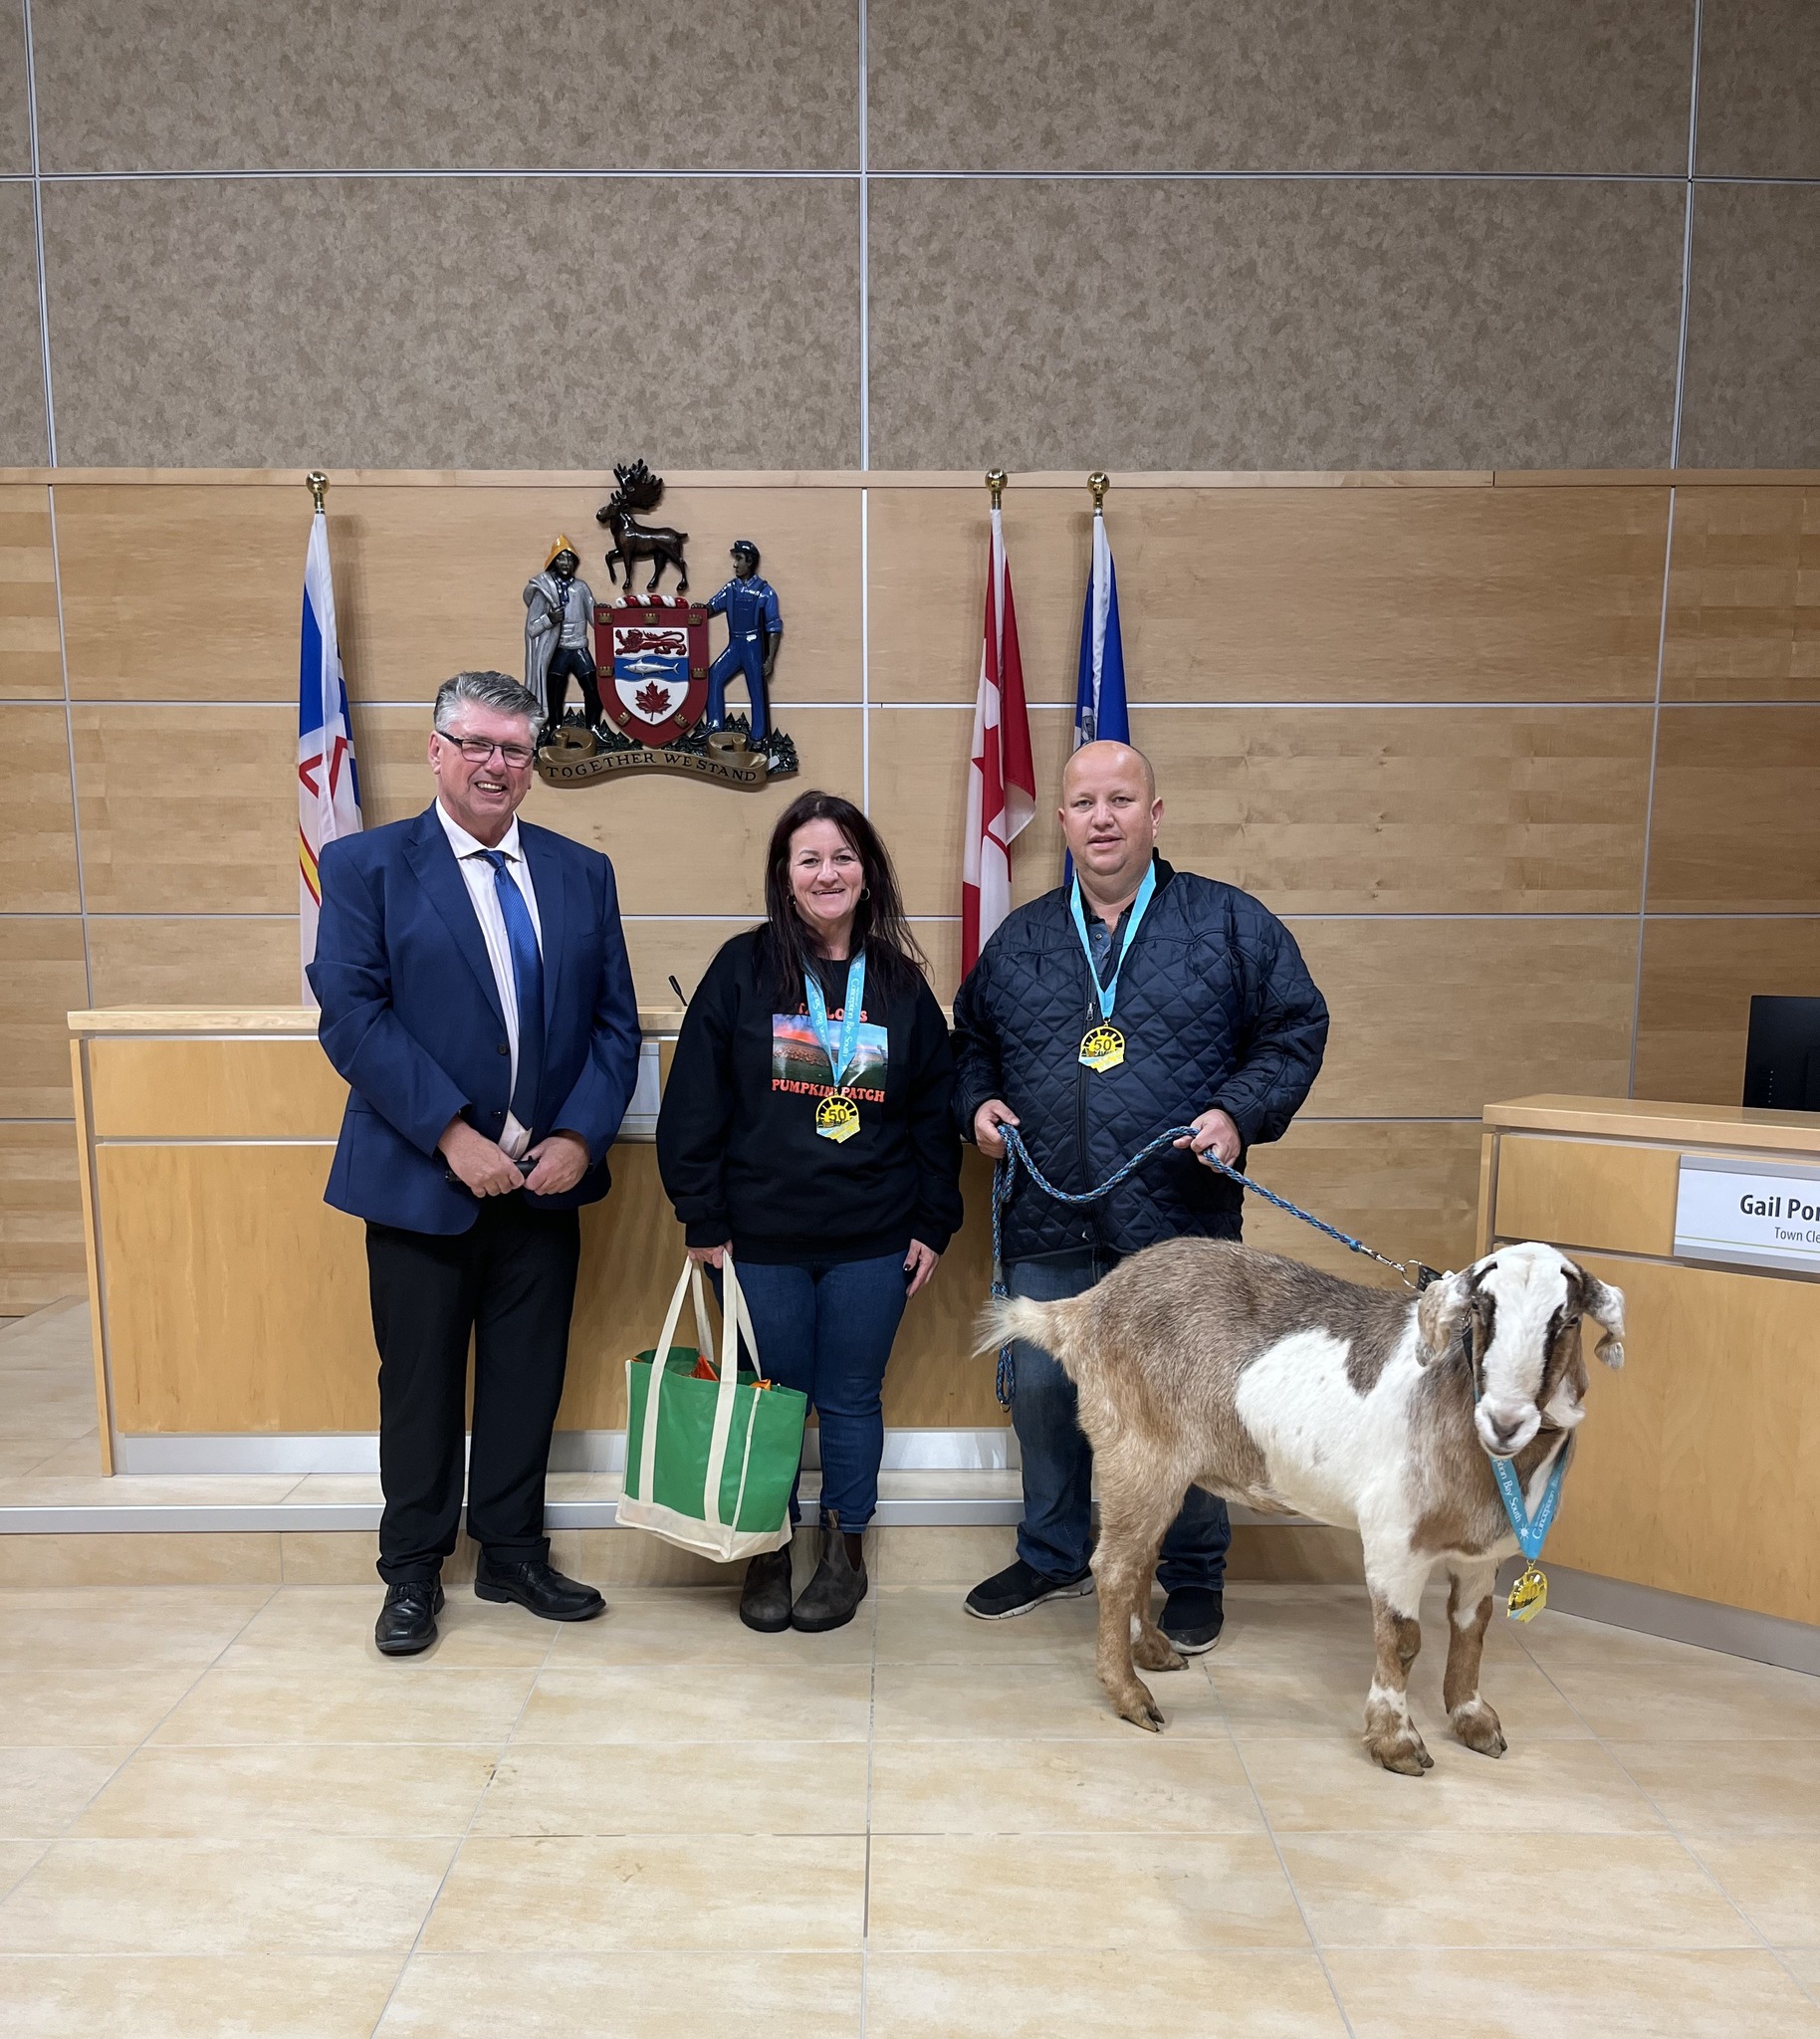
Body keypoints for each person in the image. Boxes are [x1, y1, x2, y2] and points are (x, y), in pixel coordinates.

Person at [952, 739, 1328, 1652]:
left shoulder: (1229, 924)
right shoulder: (1023, 939)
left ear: (1155, 816)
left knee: (1186, 1406)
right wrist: (977, 1104)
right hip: (1047, 1210)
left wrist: (1239, 1113)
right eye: (1084, 804)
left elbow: (1295, 1029)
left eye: (1122, 800)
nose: (1103, 818)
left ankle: (1191, 1575)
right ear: (1065, 821)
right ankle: (1051, 1554)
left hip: (1177, 1223)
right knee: (1044, 1394)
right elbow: (970, 1044)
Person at [311, 669, 641, 1657]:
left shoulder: (581, 872)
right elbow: (352, 1015)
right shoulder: (365, 864)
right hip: (420, 1178)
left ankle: (510, 1552)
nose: (498, 764)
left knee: (526, 1377)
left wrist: (580, 1135)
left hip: (545, 1186)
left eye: (514, 748)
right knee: (417, 1385)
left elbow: (612, 1024)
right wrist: (452, 1133)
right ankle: (411, 1572)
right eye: (479, 744)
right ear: (437, 750)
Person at [657, 790, 964, 1634]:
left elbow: (937, 1117)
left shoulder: (901, 986)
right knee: (773, 1398)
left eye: (842, 858)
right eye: (809, 860)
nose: (827, 873)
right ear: (785, 877)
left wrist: (934, 1222)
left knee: (852, 1398)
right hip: (759, 1242)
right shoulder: (741, 970)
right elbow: (694, 1106)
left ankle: (844, 1551)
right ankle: (767, 1549)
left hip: (873, 1239)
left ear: (867, 875)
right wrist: (703, 1218)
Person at [706, 540, 783, 756]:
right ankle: (714, 726)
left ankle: (758, 736)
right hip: (735, 644)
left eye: (738, 559)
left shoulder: (765, 592)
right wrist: (691, 611)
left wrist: (769, 659)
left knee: (756, 689)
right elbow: (710, 607)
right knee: (715, 675)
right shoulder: (730, 588)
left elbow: (774, 627)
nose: (735, 564)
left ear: (750, 561)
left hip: (753, 645)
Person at [524, 537, 601, 733]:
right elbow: (532, 628)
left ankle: (593, 728)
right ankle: (555, 728)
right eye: (561, 559)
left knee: (593, 689)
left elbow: (596, 618)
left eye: (569, 559)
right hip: (558, 650)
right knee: (554, 693)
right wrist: (549, 619)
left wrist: (613, 618)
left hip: (579, 649)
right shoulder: (544, 590)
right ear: (553, 562)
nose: (566, 563)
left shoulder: (581, 588)